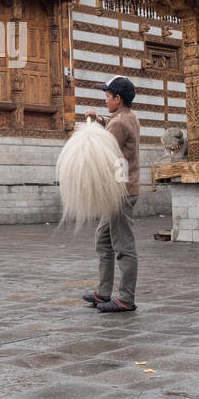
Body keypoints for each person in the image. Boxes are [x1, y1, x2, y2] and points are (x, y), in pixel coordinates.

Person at [82, 75, 141, 313]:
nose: (105, 99)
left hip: (120, 192)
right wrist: (98, 119)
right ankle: (104, 292)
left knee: (123, 245)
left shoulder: (119, 123)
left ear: (118, 98)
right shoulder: (128, 117)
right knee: (103, 239)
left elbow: (103, 147)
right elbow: (112, 123)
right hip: (123, 189)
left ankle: (126, 298)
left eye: (107, 96)